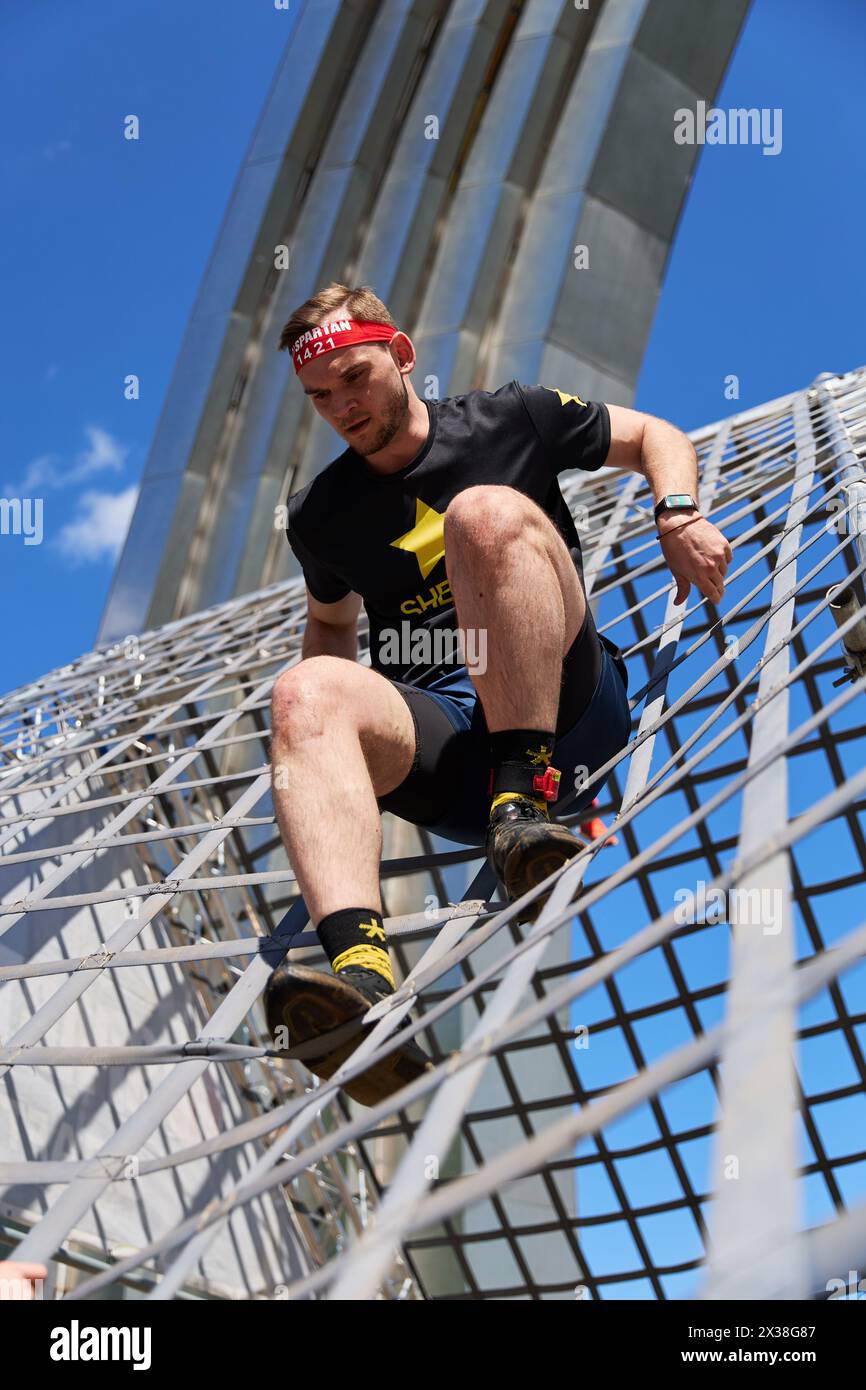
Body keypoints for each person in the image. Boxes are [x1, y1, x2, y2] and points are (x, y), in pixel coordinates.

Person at [264, 282, 732, 1104]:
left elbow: (653, 433)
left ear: (402, 353)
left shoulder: (511, 417)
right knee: (301, 690)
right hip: (449, 754)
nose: (340, 406)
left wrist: (678, 515)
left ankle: (527, 807)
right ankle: (361, 980)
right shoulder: (321, 515)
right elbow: (330, 626)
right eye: (318, 395)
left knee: (481, 513)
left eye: (355, 375)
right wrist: (331, 737)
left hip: (568, 709)